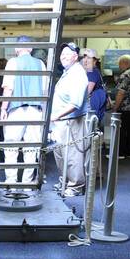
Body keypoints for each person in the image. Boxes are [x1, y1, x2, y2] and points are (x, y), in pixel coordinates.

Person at [0, 38, 48, 185]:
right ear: (31, 48)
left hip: (16, 111)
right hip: (36, 111)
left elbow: (8, 88)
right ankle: (27, 184)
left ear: (16, 49)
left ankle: (11, 183)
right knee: (31, 149)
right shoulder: (40, 64)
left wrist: (3, 108)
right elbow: (45, 90)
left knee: (11, 148)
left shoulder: (13, 62)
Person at [49, 42, 90, 196]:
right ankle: (65, 182)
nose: (63, 56)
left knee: (73, 155)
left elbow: (75, 103)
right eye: (62, 54)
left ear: (75, 56)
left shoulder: (77, 73)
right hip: (60, 121)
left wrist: (56, 116)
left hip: (72, 121)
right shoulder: (68, 72)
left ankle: (75, 186)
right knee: (61, 154)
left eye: (67, 54)